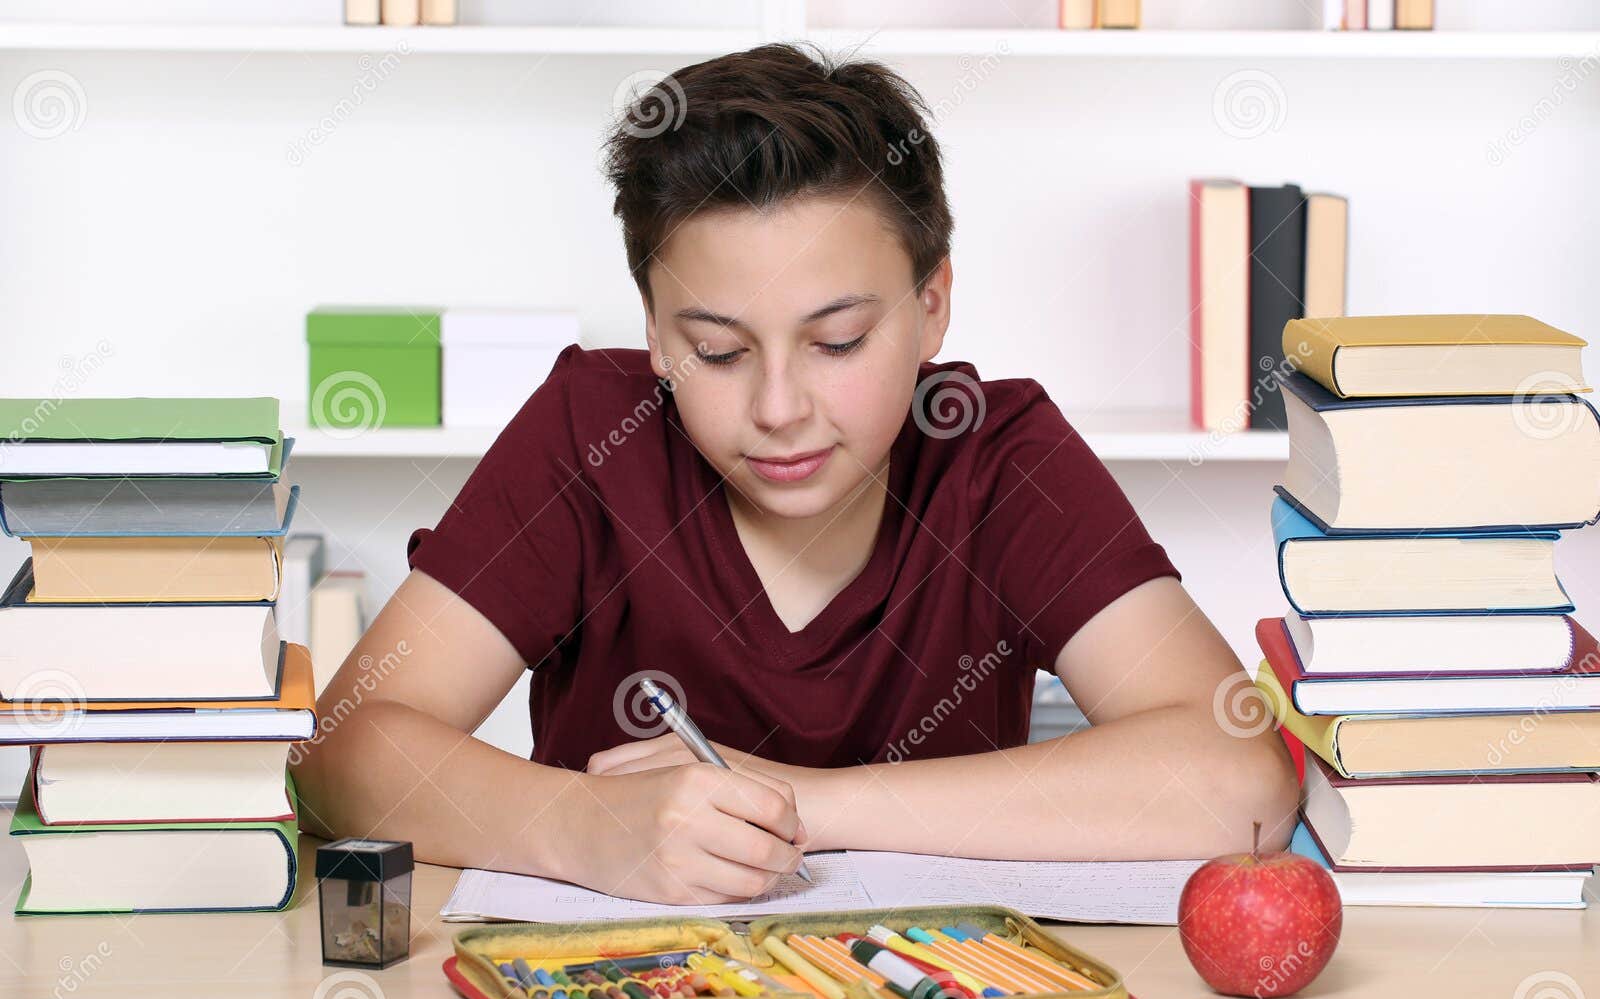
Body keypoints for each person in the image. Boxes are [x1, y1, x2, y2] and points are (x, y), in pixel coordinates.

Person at [293, 44, 1297, 906]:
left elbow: (1238, 774)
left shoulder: (996, 458)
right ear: (652, 329)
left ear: (931, 305)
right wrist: (586, 824)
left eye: (839, 340)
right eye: (718, 353)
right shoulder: (591, 434)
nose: (778, 407)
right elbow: (342, 754)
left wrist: (801, 802)